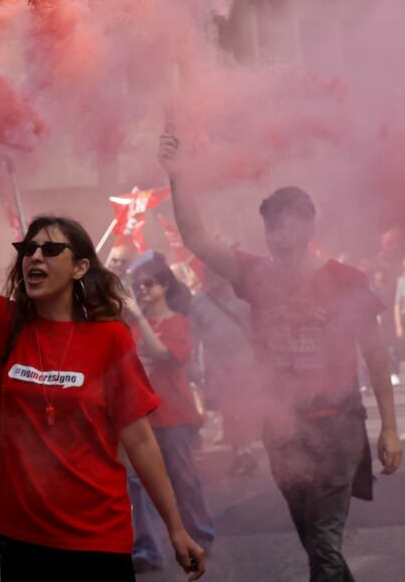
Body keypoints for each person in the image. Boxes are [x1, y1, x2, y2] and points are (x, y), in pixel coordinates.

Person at [0, 141, 206, 581]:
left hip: (98, 539)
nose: (34, 257)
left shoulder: (110, 338)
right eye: (29, 249)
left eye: (50, 250)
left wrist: (176, 528)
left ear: (81, 267)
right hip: (23, 537)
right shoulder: (3, 322)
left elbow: (139, 440)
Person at [159, 131, 403, 581]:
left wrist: (389, 427)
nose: (280, 235)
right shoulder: (255, 275)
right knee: (313, 540)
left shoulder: (345, 280)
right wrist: (178, 176)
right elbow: (195, 237)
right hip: (284, 431)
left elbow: (375, 354)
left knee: (325, 547)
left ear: (310, 226)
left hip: (338, 430)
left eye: (290, 224)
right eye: (273, 227)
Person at [125, 251, 214, 572]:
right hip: (140, 419)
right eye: (139, 286)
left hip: (175, 416)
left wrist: (140, 322)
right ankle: (147, 549)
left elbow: (166, 356)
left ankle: (199, 534)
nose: (144, 290)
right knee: (139, 484)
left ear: (164, 286)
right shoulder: (132, 327)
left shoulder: (180, 323)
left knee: (183, 478)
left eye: (148, 284)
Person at [189, 262, 259, 475]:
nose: (211, 277)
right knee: (228, 410)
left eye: (215, 272)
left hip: (246, 363)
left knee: (245, 407)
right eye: (207, 272)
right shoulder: (198, 302)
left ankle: (245, 448)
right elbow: (193, 335)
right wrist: (191, 361)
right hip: (217, 367)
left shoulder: (244, 298)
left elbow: (258, 329)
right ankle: (240, 450)